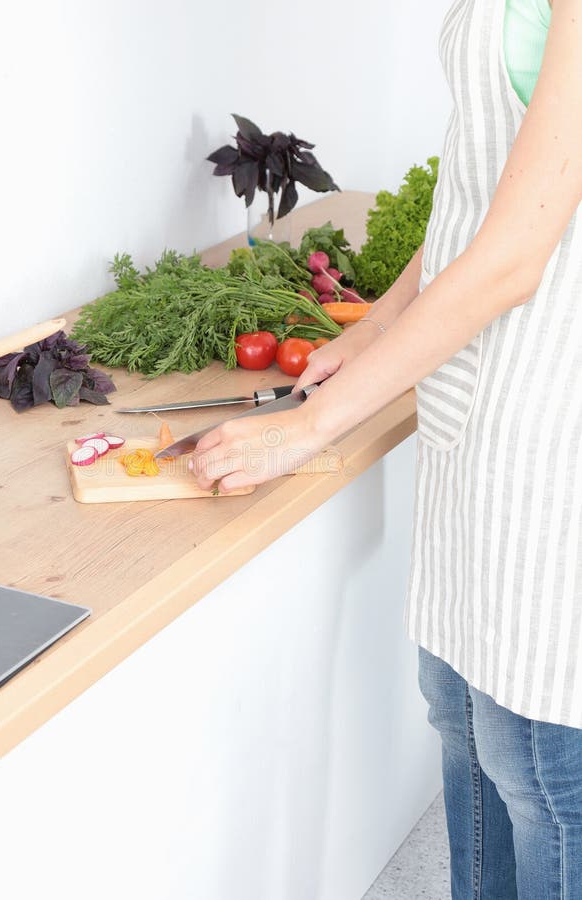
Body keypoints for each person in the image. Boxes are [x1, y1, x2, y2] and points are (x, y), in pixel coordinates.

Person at [190, 0, 582, 896]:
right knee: (464, 724)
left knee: (538, 767)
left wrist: (309, 428)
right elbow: (480, 191)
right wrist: (375, 333)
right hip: (479, 409)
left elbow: (516, 255)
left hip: (556, 419)